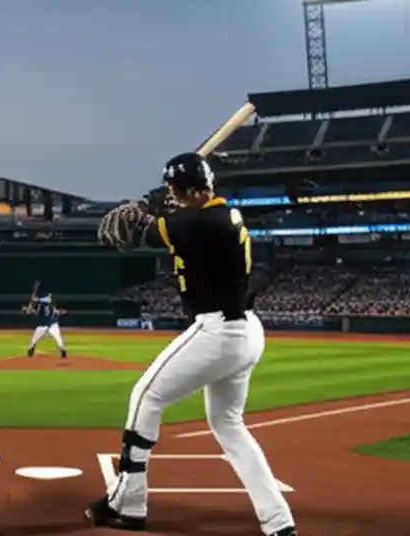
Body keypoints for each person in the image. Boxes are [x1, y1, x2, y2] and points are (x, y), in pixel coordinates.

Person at [90, 153, 296, 536]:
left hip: (218, 330)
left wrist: (141, 211)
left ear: (189, 191)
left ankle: (129, 500)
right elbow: (171, 220)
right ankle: (279, 521)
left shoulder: (199, 221)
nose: (174, 198)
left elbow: (148, 231)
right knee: (228, 425)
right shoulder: (216, 215)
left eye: (176, 192)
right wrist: (155, 208)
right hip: (246, 330)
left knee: (145, 397)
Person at [23, 281, 67, 358]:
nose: (49, 297)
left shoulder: (49, 303)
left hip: (52, 325)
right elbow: (34, 312)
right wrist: (28, 309)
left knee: (58, 340)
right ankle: (31, 352)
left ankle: (63, 351)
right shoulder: (40, 305)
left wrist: (34, 301)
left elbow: (44, 302)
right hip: (42, 326)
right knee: (33, 341)